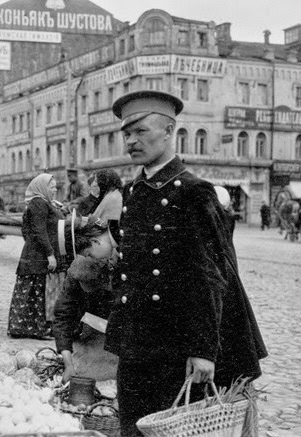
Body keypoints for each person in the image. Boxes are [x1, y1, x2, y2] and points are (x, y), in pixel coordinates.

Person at [108, 90, 267, 436]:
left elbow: (209, 277)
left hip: (176, 348)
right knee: (132, 429)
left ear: (169, 132)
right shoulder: (134, 192)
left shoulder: (194, 192)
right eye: (126, 133)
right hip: (137, 344)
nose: (132, 141)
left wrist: (203, 350)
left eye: (141, 131)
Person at [54, 218, 119, 383]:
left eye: (89, 254)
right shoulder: (78, 271)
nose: (93, 259)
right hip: (94, 337)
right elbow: (64, 315)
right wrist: (68, 363)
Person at [8, 173, 69, 339]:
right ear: (42, 188)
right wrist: (50, 254)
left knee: (37, 291)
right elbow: (39, 230)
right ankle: (31, 329)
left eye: (56, 187)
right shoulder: (39, 203)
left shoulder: (45, 203)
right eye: (52, 187)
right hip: (36, 256)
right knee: (33, 291)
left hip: (37, 254)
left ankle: (33, 328)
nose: (55, 190)